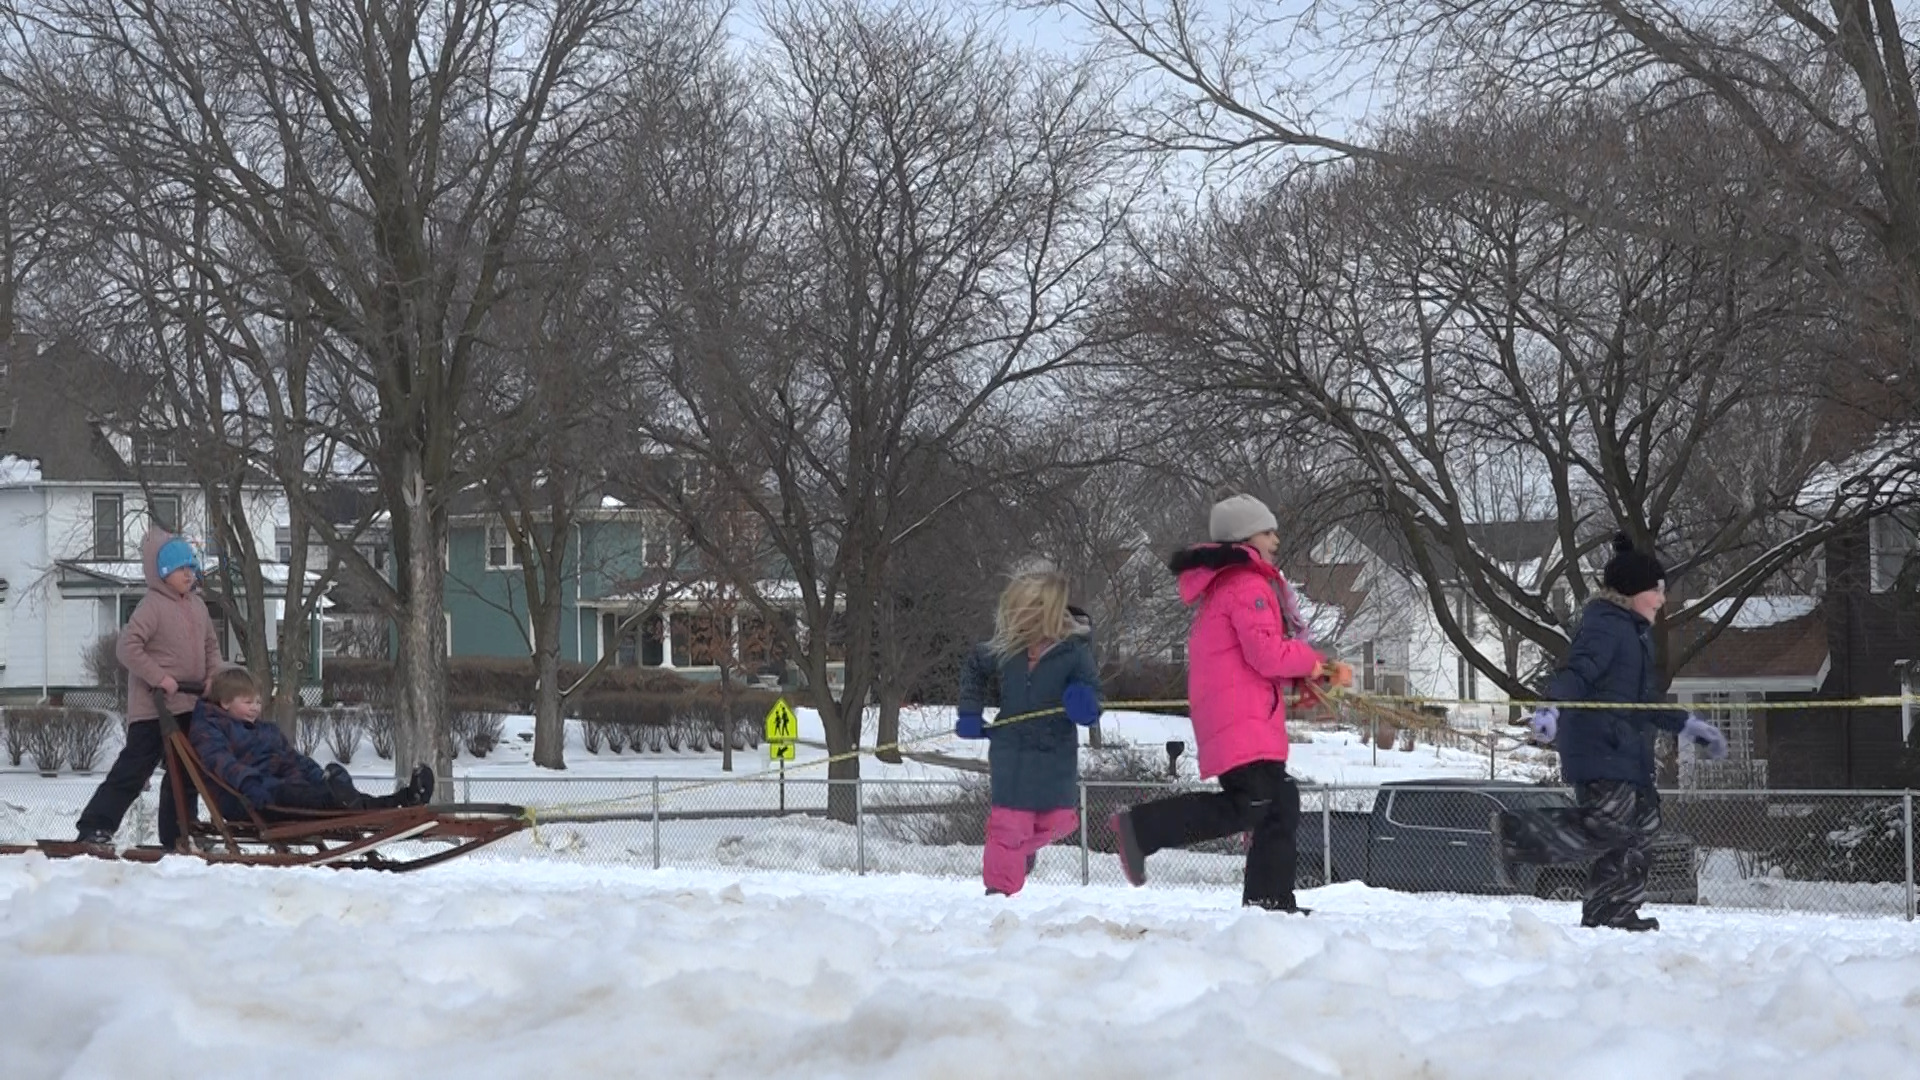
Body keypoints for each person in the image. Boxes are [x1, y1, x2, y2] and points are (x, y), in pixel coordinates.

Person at [1109, 494, 1350, 913]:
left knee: (1279, 803)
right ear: (1244, 538)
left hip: (1245, 719)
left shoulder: (1233, 587)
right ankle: (1140, 830)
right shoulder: (1246, 587)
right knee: (1252, 804)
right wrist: (1317, 663)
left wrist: (1304, 672)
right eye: (1267, 531)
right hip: (1242, 722)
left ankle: (1268, 901)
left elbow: (1258, 657)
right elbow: (1266, 654)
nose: (1276, 538)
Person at [1492, 533, 1727, 932]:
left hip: (1628, 750)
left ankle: (1612, 911)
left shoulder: (1635, 635)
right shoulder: (1605, 627)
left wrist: (1686, 724)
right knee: (1611, 823)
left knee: (1643, 826)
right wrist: (1551, 708)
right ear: (1635, 592)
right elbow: (1578, 673)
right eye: (1657, 591)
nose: (1662, 600)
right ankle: (1515, 836)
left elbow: (1643, 700)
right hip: (1599, 746)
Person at [955, 569, 1102, 897]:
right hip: (1010, 755)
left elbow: (1094, 701)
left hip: (1055, 757)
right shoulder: (1007, 650)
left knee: (1058, 823)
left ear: (1045, 613)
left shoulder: (1075, 653)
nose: (1016, 623)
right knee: (1007, 828)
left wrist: (1084, 704)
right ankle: (999, 895)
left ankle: (1018, 852)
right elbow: (974, 667)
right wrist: (969, 712)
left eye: (1024, 615)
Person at [75, 528, 223, 849]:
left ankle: (180, 835)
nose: (189, 575)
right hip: (152, 709)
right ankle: (95, 827)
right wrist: (160, 678)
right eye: (181, 569)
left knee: (185, 776)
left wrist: (213, 677)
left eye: (192, 568)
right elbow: (128, 647)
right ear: (162, 573)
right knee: (134, 770)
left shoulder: (197, 606)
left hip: (189, 704)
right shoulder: (152, 606)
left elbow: (212, 647)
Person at [190, 667, 435, 820]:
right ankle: (384, 803)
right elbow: (220, 763)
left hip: (285, 788)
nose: (256, 707)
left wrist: (315, 774)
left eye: (257, 702)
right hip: (250, 799)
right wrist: (250, 784)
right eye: (247, 702)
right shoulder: (212, 730)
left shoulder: (266, 731)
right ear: (224, 703)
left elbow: (293, 758)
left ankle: (401, 800)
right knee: (327, 800)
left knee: (330, 795)